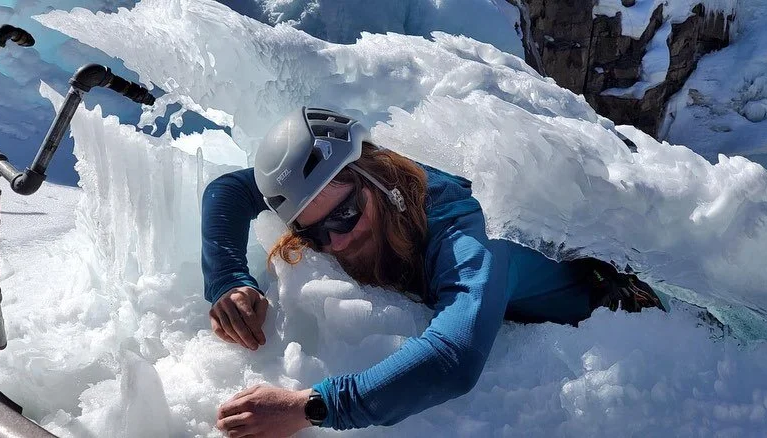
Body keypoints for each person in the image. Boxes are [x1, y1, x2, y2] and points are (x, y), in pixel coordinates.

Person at [201, 107, 665, 437]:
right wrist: (230, 281)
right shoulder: (342, 186)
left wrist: (311, 407)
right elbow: (229, 191)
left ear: (377, 179)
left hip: (613, 301)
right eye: (315, 233)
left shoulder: (461, 236)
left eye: (343, 218)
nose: (336, 242)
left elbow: (453, 359)